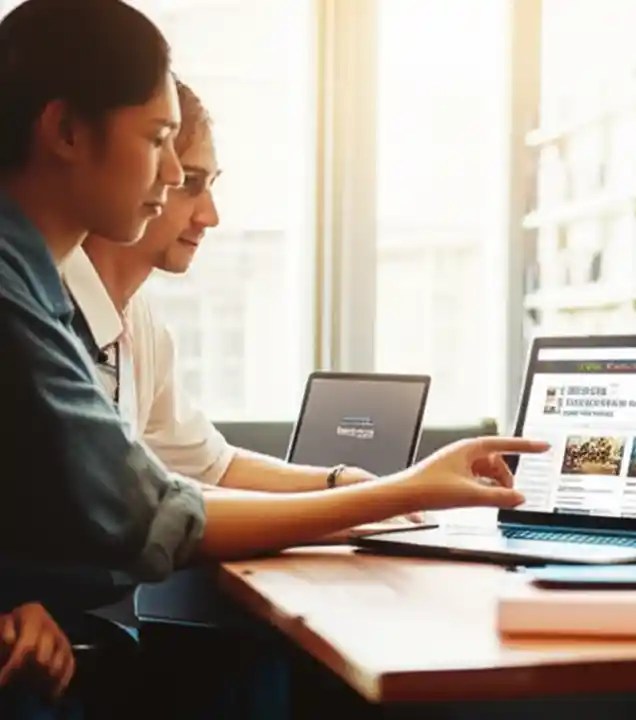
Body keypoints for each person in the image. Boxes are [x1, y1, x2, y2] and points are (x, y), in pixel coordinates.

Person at [0, 0, 544, 626]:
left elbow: (189, 474)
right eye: (156, 141)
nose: (172, 174)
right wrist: (402, 491)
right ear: (66, 131)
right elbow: (152, 514)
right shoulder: (19, 301)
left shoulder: (43, 287)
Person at [63, 78, 407, 498]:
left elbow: (213, 468)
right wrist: (354, 508)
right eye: (189, 183)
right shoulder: (45, 312)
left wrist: (343, 485)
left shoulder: (139, 319)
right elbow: (153, 510)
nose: (210, 216)